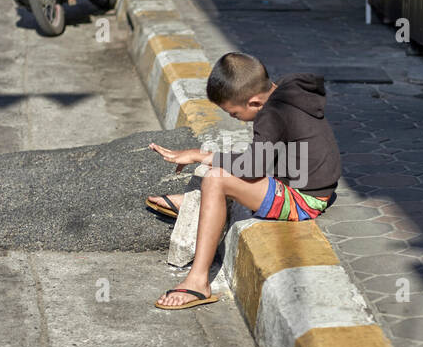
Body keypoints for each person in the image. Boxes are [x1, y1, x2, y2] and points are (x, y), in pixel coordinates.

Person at [146, 53, 342, 309]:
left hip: (303, 200)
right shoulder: (285, 93)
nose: (233, 118)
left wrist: (200, 155)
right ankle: (201, 204)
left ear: (254, 102)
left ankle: (198, 281)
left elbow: (252, 167)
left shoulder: (271, 115)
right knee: (219, 167)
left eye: (234, 114)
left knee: (216, 178)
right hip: (302, 182)